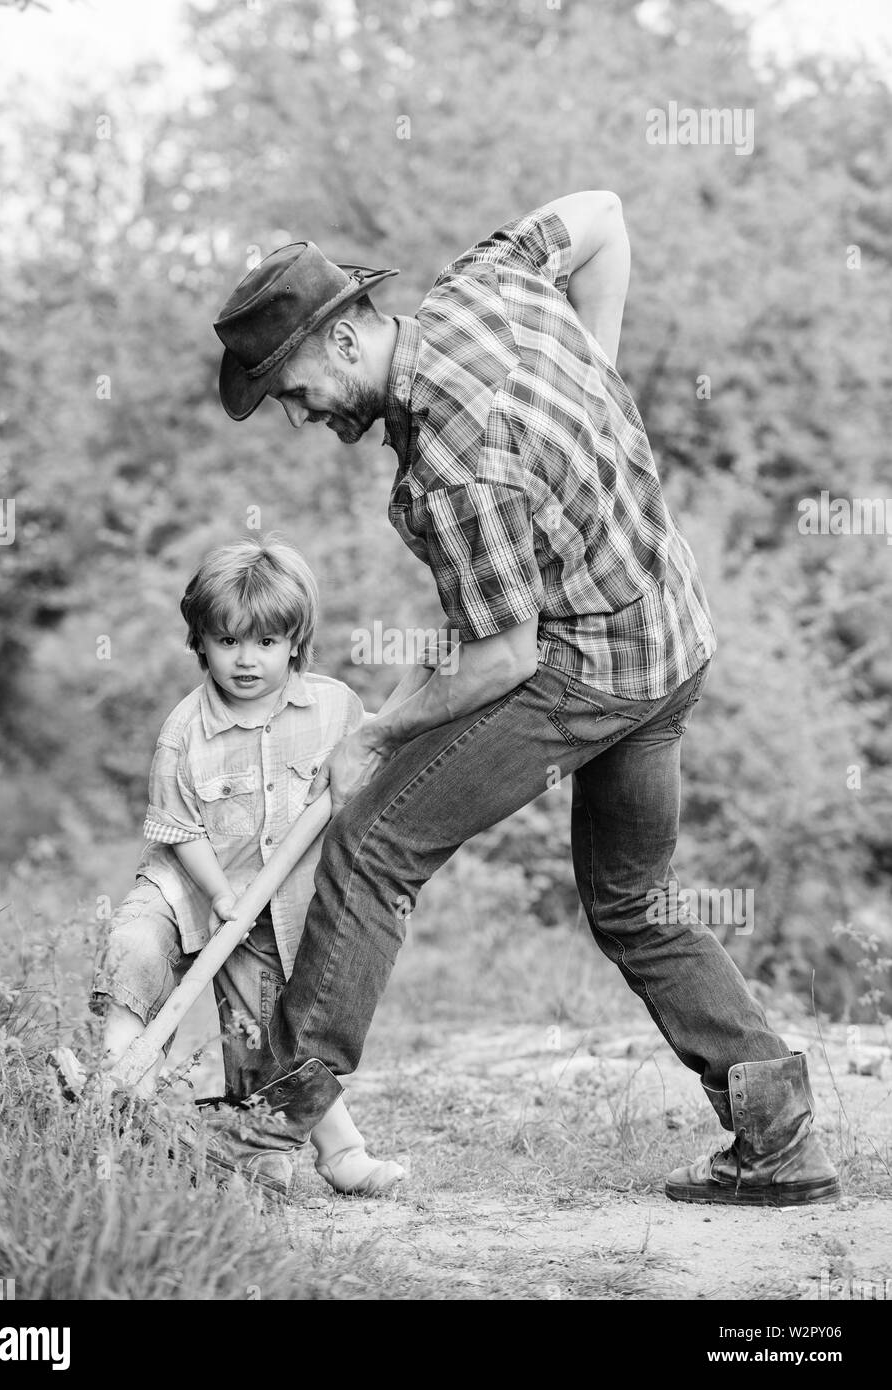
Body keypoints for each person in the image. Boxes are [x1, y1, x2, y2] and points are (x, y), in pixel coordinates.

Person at [208, 191, 839, 1208]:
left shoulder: (453, 465)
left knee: (374, 843)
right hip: (671, 640)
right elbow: (600, 214)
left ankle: (271, 1120)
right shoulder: (484, 284)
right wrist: (597, 367)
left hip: (583, 670)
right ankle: (779, 1136)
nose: (300, 415)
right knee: (633, 902)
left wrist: (375, 731)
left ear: (344, 335)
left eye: (290, 388)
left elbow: (501, 659)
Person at [69, 537, 410, 1197]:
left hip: (271, 904)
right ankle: (112, 1116)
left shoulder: (334, 709)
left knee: (269, 1027)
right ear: (200, 642)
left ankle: (338, 1154)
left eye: (265, 642)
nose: (246, 660)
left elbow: (372, 760)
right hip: (184, 888)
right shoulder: (184, 732)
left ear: (295, 641)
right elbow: (178, 827)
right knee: (131, 949)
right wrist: (223, 894)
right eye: (226, 642)